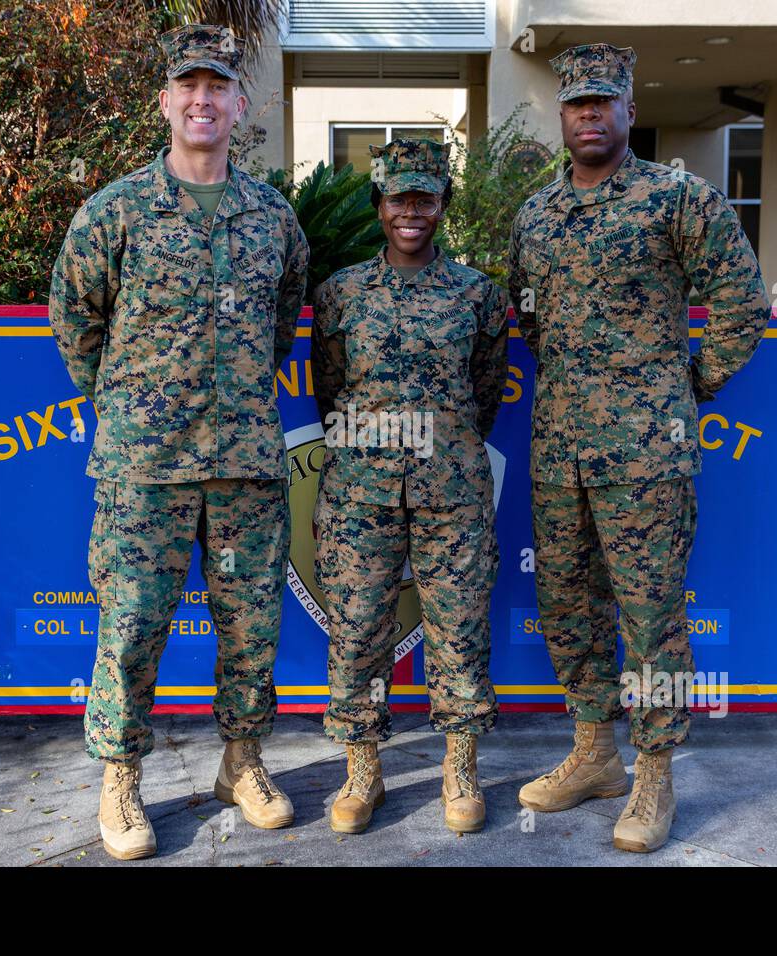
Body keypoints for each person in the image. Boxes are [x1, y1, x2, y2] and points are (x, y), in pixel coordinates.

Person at [48, 23, 309, 860]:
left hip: (244, 465)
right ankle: (121, 780)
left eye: (217, 87)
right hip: (146, 468)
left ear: (239, 104)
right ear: (165, 102)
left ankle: (243, 763)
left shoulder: (272, 218)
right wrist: (127, 405)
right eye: (188, 86)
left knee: (250, 626)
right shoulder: (114, 211)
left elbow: (281, 323)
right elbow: (76, 321)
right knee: (132, 625)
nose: (203, 100)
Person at [508, 43, 770, 852]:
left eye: (603, 101)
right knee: (568, 606)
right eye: (576, 103)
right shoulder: (536, 214)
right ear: (562, 115)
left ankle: (654, 773)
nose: (589, 114)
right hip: (560, 453)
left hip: (646, 457)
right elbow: (529, 318)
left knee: (650, 615)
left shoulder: (677, 198)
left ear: (629, 108)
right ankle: (594, 754)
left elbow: (741, 302)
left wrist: (683, 386)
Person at [310, 138, 510, 835]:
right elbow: (330, 388)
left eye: (425, 198)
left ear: (443, 205)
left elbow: (485, 392)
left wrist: (444, 443)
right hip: (359, 493)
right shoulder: (339, 293)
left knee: (459, 630)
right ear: (379, 204)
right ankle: (362, 771)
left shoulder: (479, 295)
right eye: (399, 198)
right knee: (358, 630)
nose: (412, 212)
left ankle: (460, 769)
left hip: (452, 492)